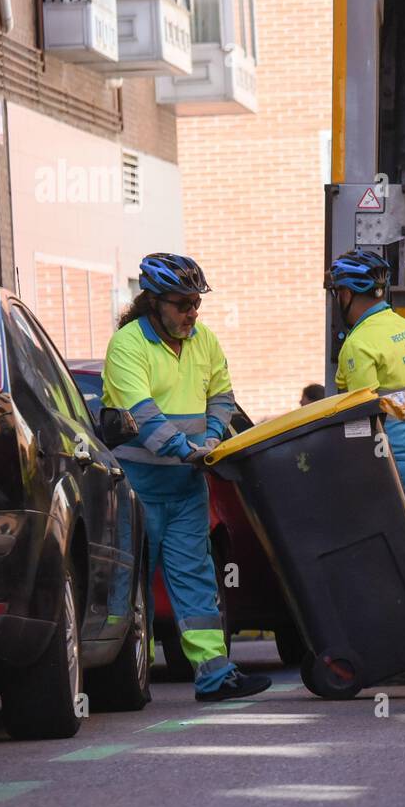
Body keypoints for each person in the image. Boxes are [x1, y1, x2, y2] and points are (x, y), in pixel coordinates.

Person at [103, 253, 271, 702]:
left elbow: (222, 396)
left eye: (196, 303)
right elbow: (141, 415)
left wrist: (213, 438)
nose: (192, 312)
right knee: (131, 586)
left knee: (196, 580)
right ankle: (124, 682)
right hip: (137, 487)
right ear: (153, 302)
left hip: (185, 487)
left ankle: (215, 675)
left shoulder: (204, 341)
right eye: (182, 304)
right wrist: (187, 451)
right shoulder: (127, 345)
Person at [326, 249, 405, 596]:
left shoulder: (359, 343)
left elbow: (361, 415)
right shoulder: (404, 327)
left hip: (397, 460)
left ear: (346, 294)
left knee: (403, 547)